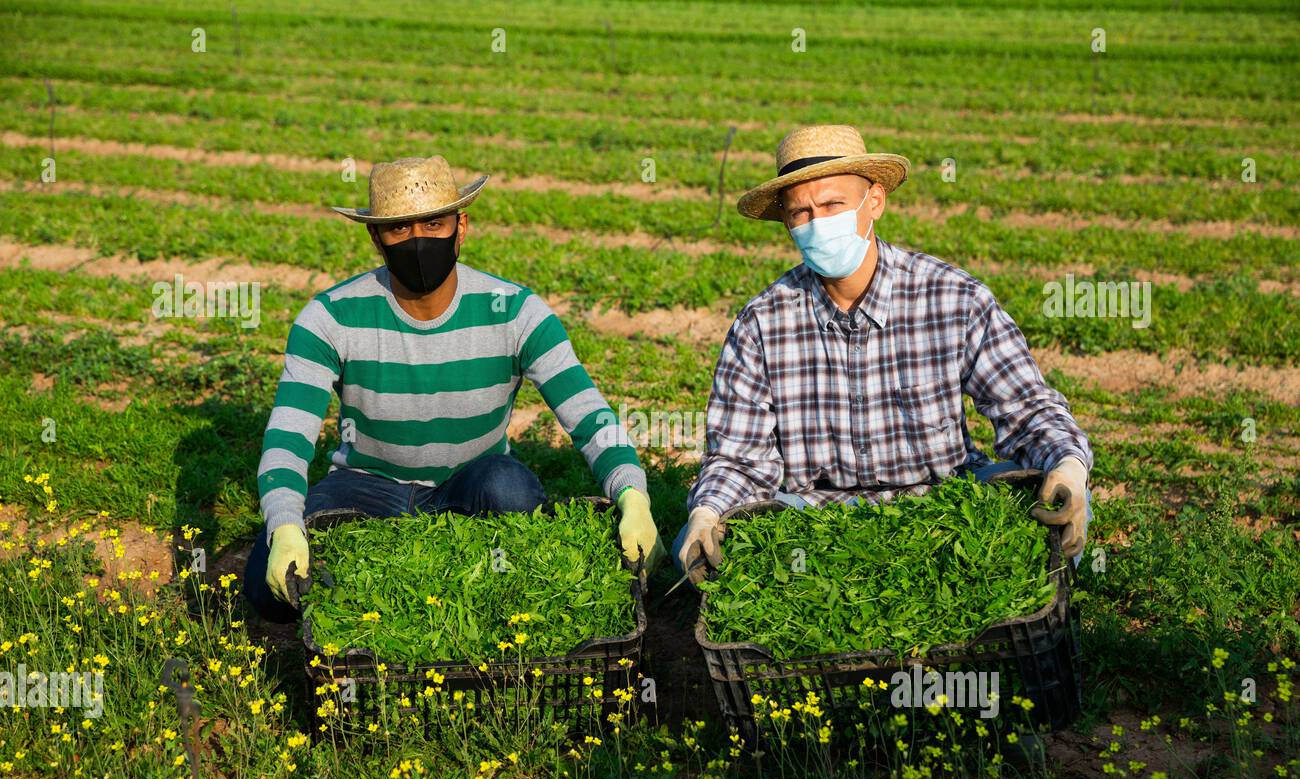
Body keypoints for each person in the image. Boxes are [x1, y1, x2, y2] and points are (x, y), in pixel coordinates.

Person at [243, 155, 665, 622]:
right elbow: (287, 439)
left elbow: (590, 418)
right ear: (375, 238)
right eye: (399, 229)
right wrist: (284, 526)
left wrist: (634, 496)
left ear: (461, 226)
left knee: (509, 490)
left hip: (472, 482)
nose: (418, 240)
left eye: (434, 223)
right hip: (364, 486)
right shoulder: (330, 318)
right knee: (270, 588)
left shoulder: (516, 312)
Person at [675, 125, 1093, 583]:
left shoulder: (953, 299)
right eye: (801, 213)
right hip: (814, 521)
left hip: (947, 508)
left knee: (1038, 508)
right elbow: (739, 457)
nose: (818, 223)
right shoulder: (762, 323)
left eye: (833, 205)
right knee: (716, 544)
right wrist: (708, 511)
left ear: (874, 201)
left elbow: (1026, 408)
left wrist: (1068, 466)